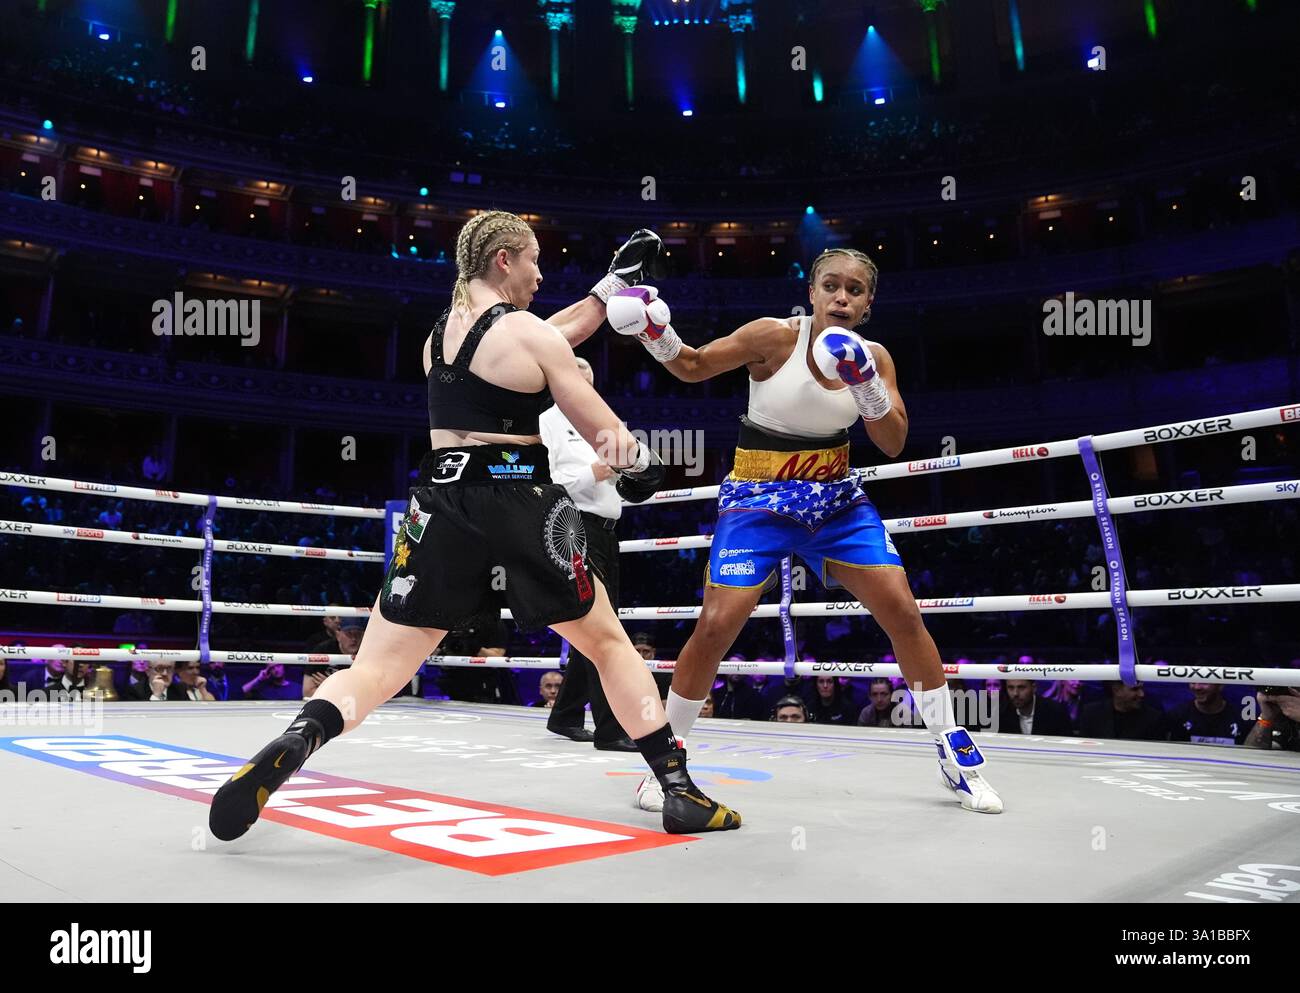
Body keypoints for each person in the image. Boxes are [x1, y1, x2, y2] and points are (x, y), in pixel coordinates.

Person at [210, 213, 739, 840]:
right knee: (606, 644)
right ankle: (678, 791)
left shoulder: (437, 339)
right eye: (536, 260)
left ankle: (299, 737)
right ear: (504, 260)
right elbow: (608, 433)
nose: (542, 274)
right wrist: (640, 467)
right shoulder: (529, 336)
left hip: (438, 504)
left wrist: (606, 288)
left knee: (378, 668)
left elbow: (541, 336)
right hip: (521, 500)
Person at [610, 247, 1001, 813]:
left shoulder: (877, 358)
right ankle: (665, 762)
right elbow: (692, 364)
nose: (842, 297)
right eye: (832, 286)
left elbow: (891, 441)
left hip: (836, 500)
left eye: (856, 290)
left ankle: (952, 753)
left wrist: (864, 382)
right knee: (717, 625)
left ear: (867, 305)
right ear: (812, 292)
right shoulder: (773, 337)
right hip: (757, 499)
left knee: (903, 612)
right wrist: (652, 332)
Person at [538, 356, 637, 750]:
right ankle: (612, 728)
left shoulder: (605, 424)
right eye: (578, 380)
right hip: (574, 526)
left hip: (607, 530)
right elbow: (546, 483)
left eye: (590, 382)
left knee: (595, 624)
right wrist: (594, 473)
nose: (585, 389)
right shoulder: (546, 421)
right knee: (602, 627)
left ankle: (564, 716)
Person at [1167, 681, 1249, 746]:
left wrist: (1262, 718)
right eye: (1193, 682)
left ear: (1220, 685)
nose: (1197, 687)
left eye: (1204, 682)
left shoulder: (1242, 717)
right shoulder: (1177, 715)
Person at [1078, 681, 1166, 741]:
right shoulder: (1091, 713)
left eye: (1141, 689)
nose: (1141, 694)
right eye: (1135, 689)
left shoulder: (1153, 718)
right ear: (1116, 690)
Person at [998, 679, 1075, 736]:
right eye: (1011, 688)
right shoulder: (1002, 712)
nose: (1015, 693)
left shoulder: (1055, 711)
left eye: (1021, 687)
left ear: (1034, 688)